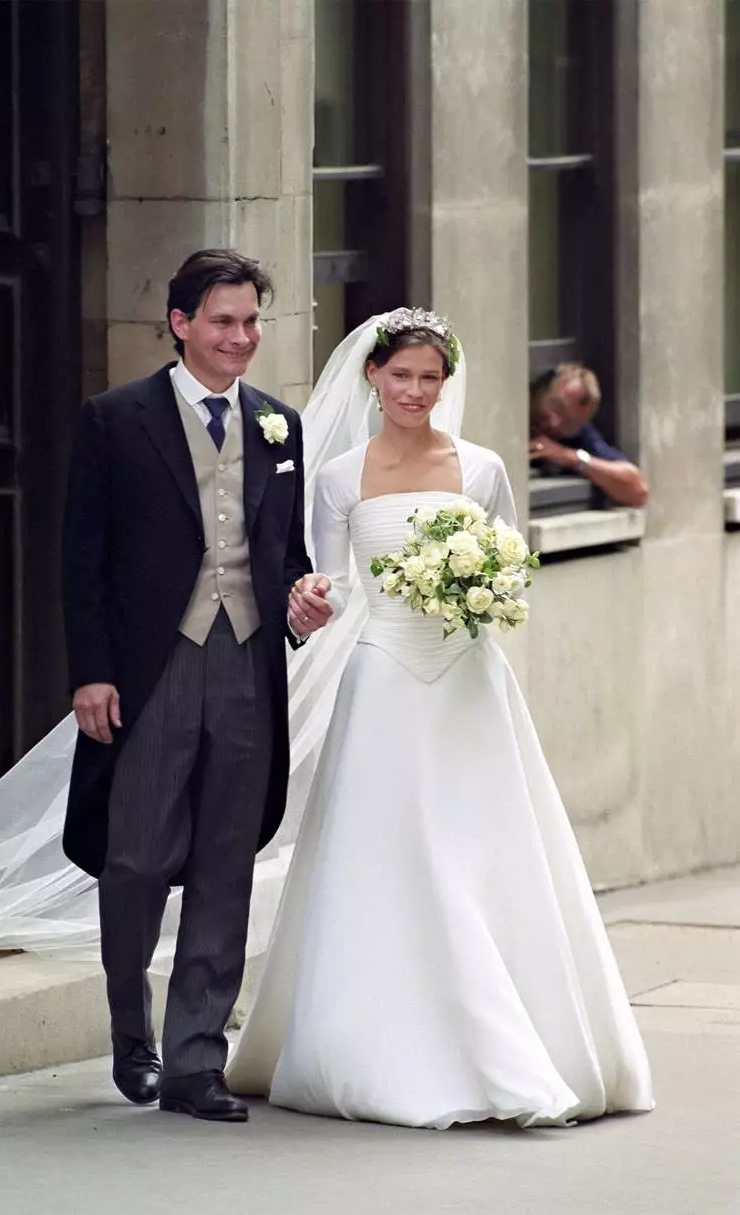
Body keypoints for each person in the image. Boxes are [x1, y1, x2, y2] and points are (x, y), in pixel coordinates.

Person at [225, 309, 654, 1129]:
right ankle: (385, 1044)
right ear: (374, 379)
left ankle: (510, 1038)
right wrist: (312, 597)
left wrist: (483, 587)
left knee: (479, 848)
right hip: (383, 673)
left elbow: (514, 566)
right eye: (401, 377)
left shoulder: (484, 467)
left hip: (467, 678)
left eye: (429, 378)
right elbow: (333, 580)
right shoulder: (338, 475)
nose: (415, 391)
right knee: (391, 851)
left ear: (444, 383)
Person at [61, 248, 332, 1122]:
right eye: (223, 320)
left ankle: (194, 1062)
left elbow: (285, 555)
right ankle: (131, 1037)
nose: (241, 337)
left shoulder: (278, 426)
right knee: (135, 857)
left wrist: (301, 602)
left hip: (248, 660)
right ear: (181, 324)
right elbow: (83, 560)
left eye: (252, 321)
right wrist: (92, 672)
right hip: (152, 665)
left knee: (225, 859)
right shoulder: (115, 419)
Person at [529, 363, 648, 508]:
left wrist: (571, 458)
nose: (555, 423)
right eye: (556, 407)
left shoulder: (577, 436)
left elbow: (637, 491)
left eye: (568, 422)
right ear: (540, 392)